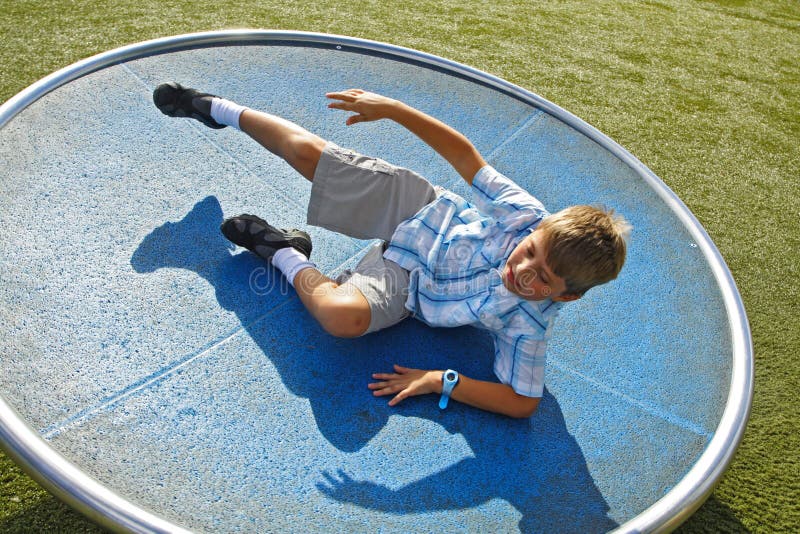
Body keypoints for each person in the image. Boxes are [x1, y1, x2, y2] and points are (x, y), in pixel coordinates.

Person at [153, 83, 631, 418]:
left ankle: (282, 250)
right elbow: (466, 157)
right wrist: (393, 108)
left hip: (407, 282)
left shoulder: (529, 322)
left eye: (544, 279)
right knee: (307, 155)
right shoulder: (526, 213)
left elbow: (524, 402)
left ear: (566, 296)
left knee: (342, 318)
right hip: (420, 213)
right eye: (530, 252)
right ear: (538, 230)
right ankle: (214, 108)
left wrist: (443, 381)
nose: (523, 271)